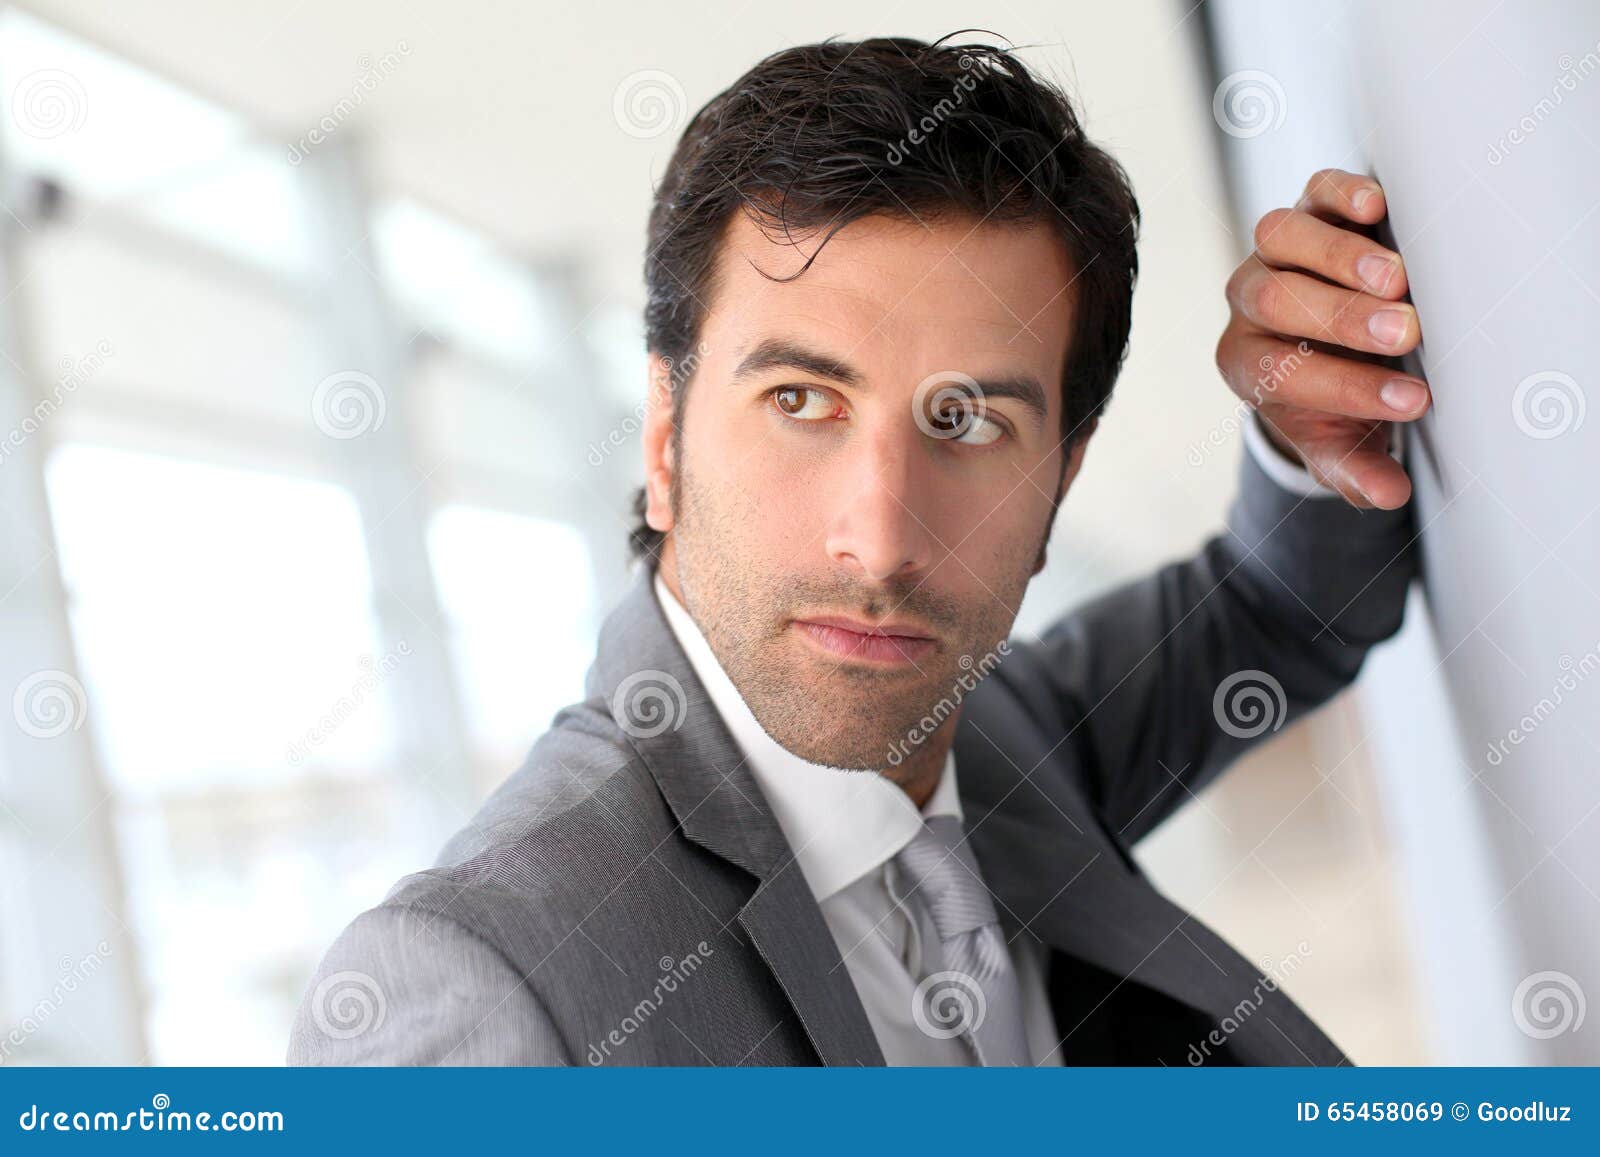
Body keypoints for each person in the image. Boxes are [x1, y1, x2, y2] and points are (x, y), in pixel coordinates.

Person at [289, 36, 1428, 1066]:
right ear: (664, 432)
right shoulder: (480, 972)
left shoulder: (1003, 743)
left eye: (971, 422)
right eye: (800, 398)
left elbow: (1275, 611)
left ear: (1063, 474)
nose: (880, 541)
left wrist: (1304, 435)